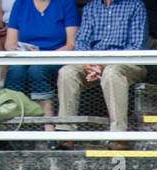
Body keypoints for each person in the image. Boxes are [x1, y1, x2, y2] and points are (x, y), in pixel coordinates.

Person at [56, 0, 148, 151]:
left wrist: (103, 66)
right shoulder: (91, 7)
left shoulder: (136, 5)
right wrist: (89, 65)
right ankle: (66, 132)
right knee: (67, 72)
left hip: (128, 63)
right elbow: (82, 43)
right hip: (94, 63)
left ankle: (118, 136)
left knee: (112, 72)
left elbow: (136, 46)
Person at [3, 0, 79, 129]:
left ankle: (47, 126)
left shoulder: (66, 3)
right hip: (26, 57)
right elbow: (10, 44)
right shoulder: (20, 4)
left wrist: (44, 56)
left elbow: (71, 44)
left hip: (56, 57)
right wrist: (24, 51)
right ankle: (11, 126)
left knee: (37, 70)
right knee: (15, 71)